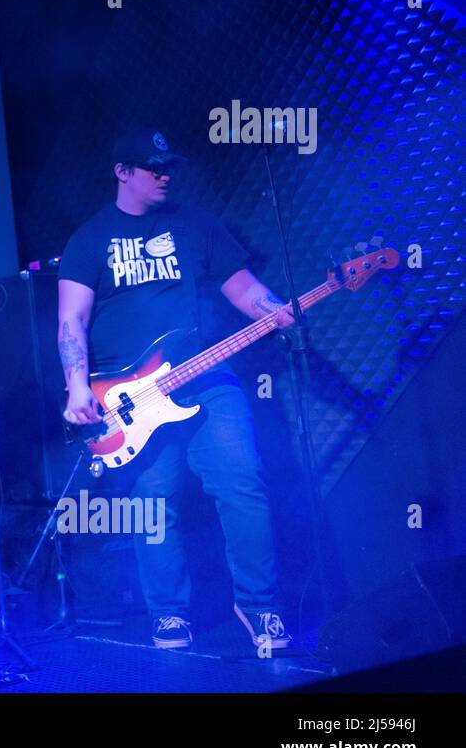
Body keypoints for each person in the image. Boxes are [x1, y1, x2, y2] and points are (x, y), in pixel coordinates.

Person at [56, 131, 294, 652]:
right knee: (154, 501)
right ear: (122, 171)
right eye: (152, 167)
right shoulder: (90, 239)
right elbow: (70, 318)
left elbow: (245, 289)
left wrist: (277, 309)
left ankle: (261, 607)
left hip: (205, 378)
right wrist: (77, 386)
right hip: (130, 396)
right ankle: (169, 614)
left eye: (169, 167)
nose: (164, 175)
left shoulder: (196, 225)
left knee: (242, 480)